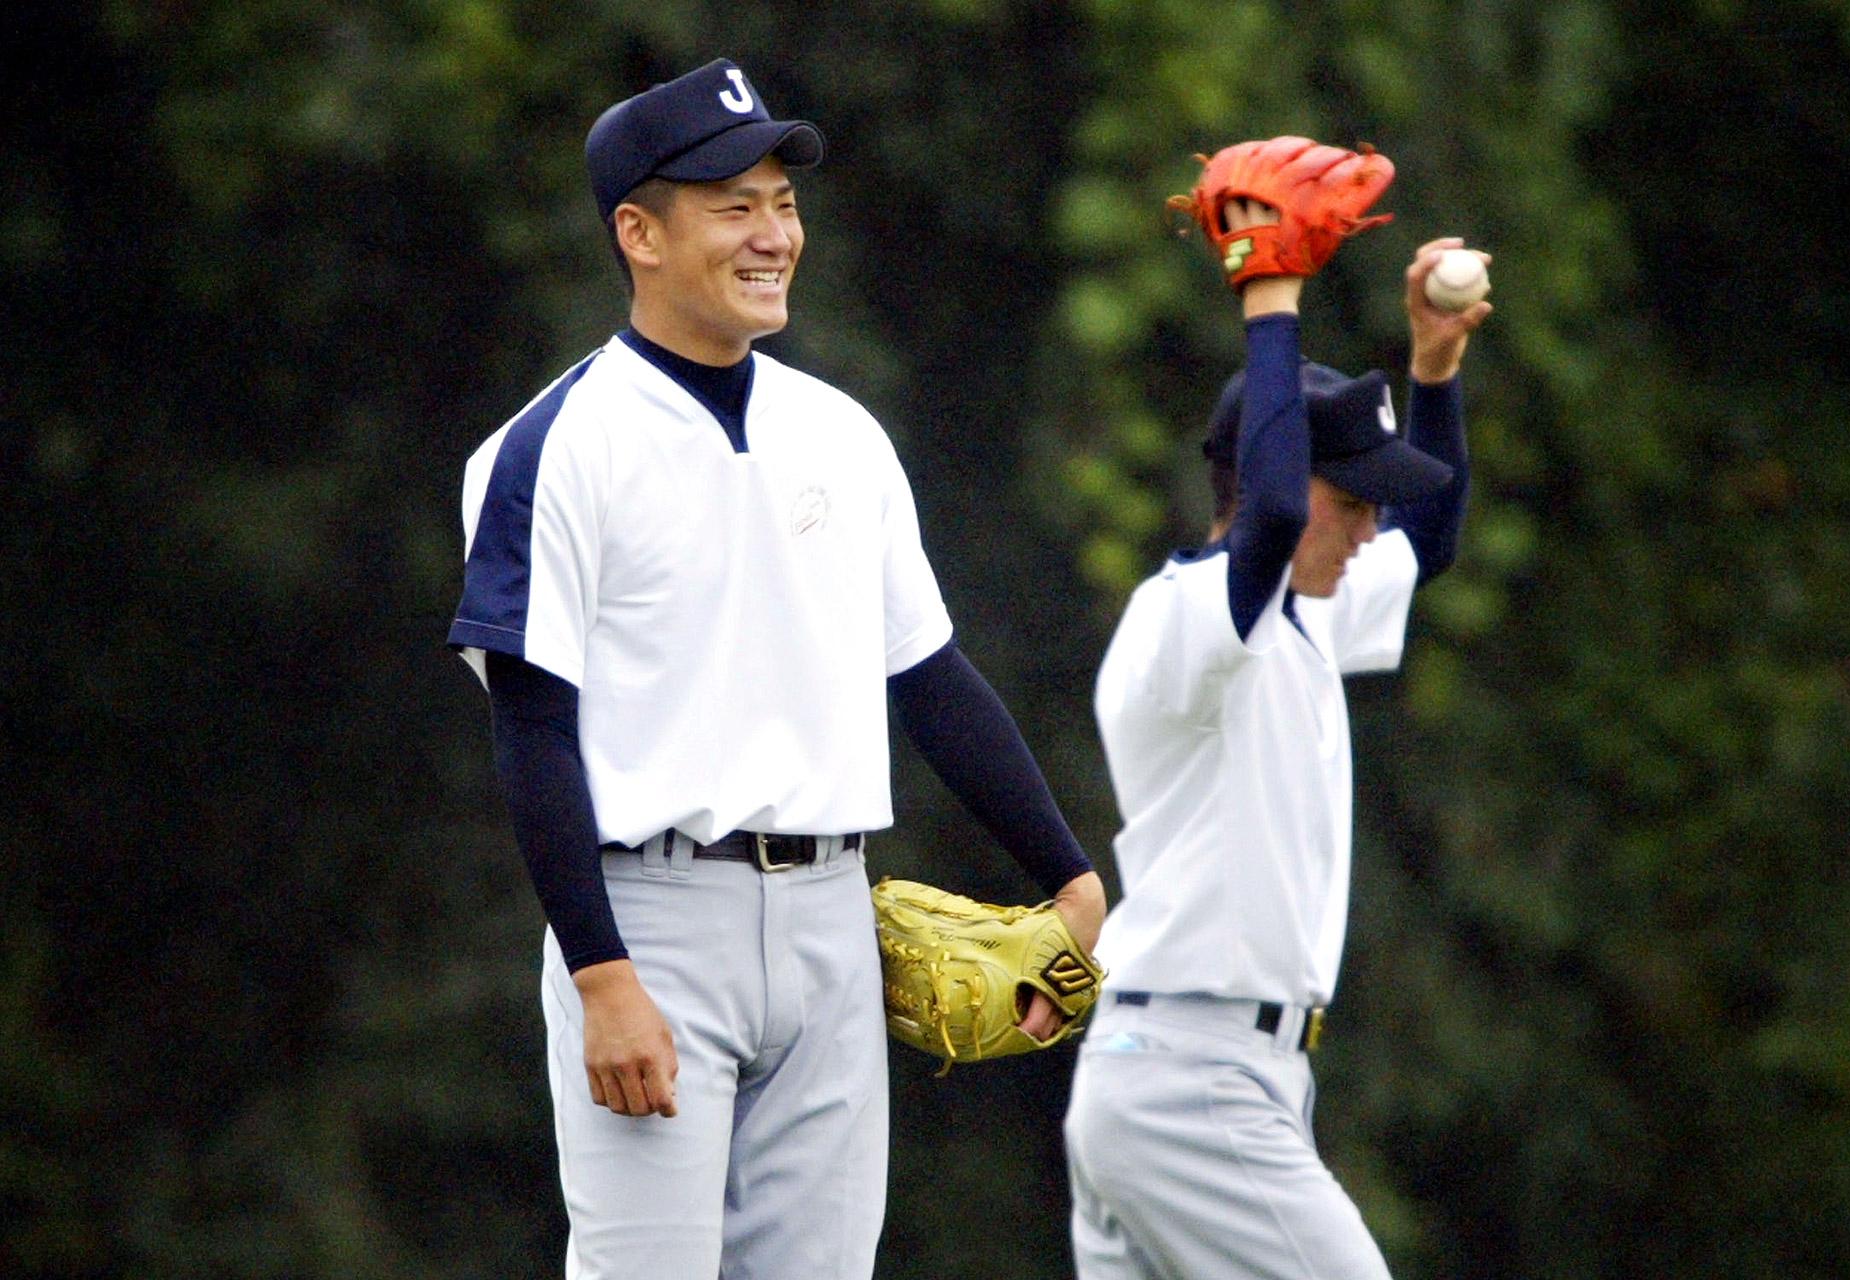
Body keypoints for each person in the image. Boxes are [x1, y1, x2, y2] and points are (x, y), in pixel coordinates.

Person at [446, 57, 1106, 1280]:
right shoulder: (551, 449)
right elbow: (531, 731)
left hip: (829, 919)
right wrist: (600, 975)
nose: (772, 234)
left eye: (781, 201)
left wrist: (1064, 870)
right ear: (637, 232)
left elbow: (930, 677)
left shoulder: (840, 433)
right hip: (649, 920)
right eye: (732, 205)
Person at [1062, 191, 1491, 1280]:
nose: (1364, 527)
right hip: (1190, 1077)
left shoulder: (1299, 616)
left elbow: (1428, 541)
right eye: (1347, 501)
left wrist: (1431, 367)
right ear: (1282, 483)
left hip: (1198, 1074)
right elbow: (1265, 524)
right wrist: (1269, 295)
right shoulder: (1192, 615)